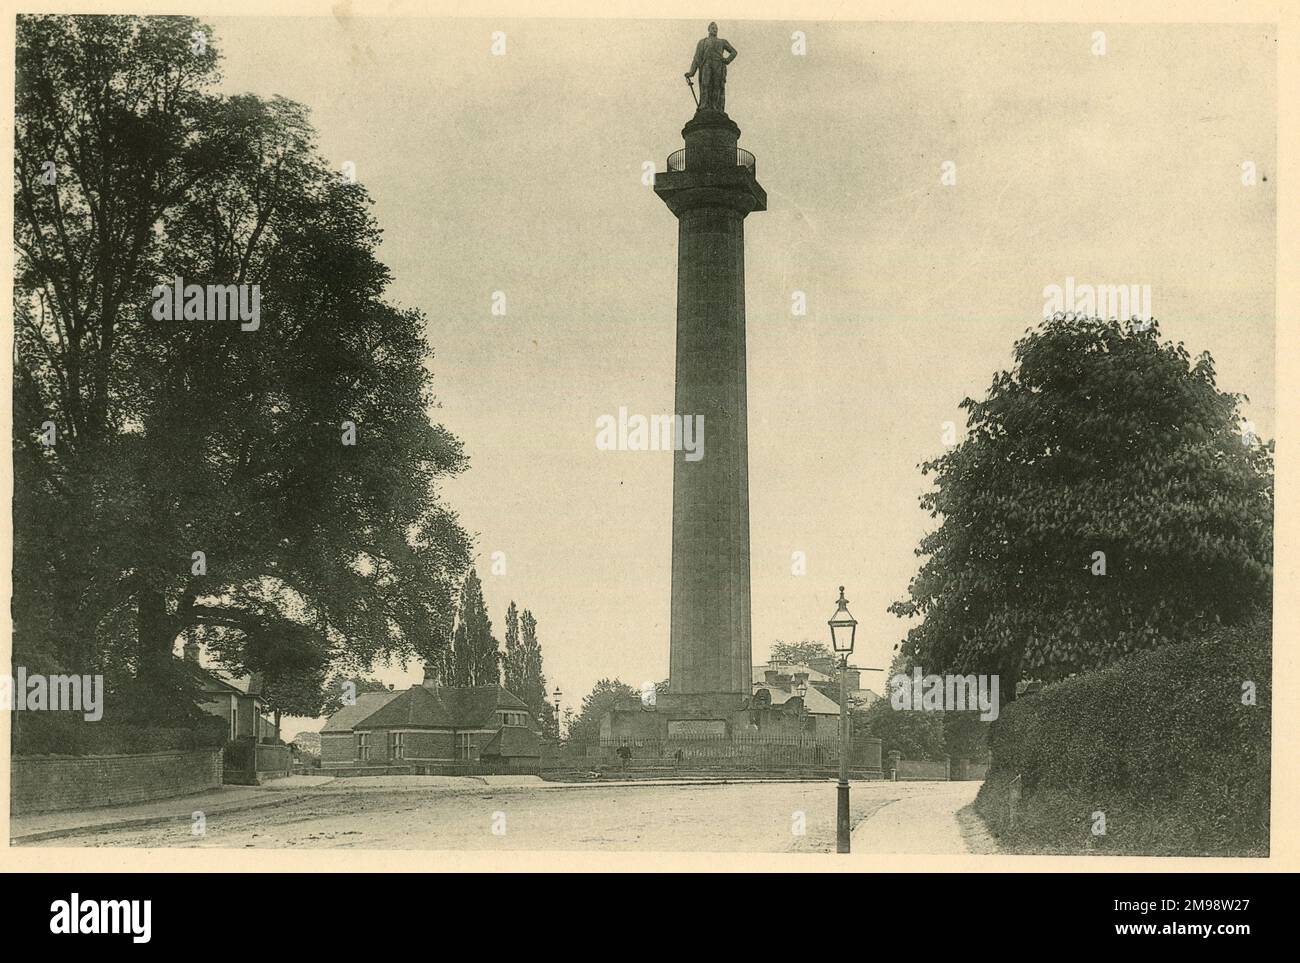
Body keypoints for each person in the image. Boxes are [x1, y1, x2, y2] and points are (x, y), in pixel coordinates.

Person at [685, 22, 738, 113]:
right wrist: (691, 72)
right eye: (713, 28)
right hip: (706, 65)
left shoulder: (722, 42)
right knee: (705, 84)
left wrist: (727, 60)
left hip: (718, 66)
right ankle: (704, 106)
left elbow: (734, 52)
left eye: (716, 28)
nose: (715, 29)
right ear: (709, 29)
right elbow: (697, 58)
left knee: (716, 86)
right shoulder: (702, 42)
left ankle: (716, 107)